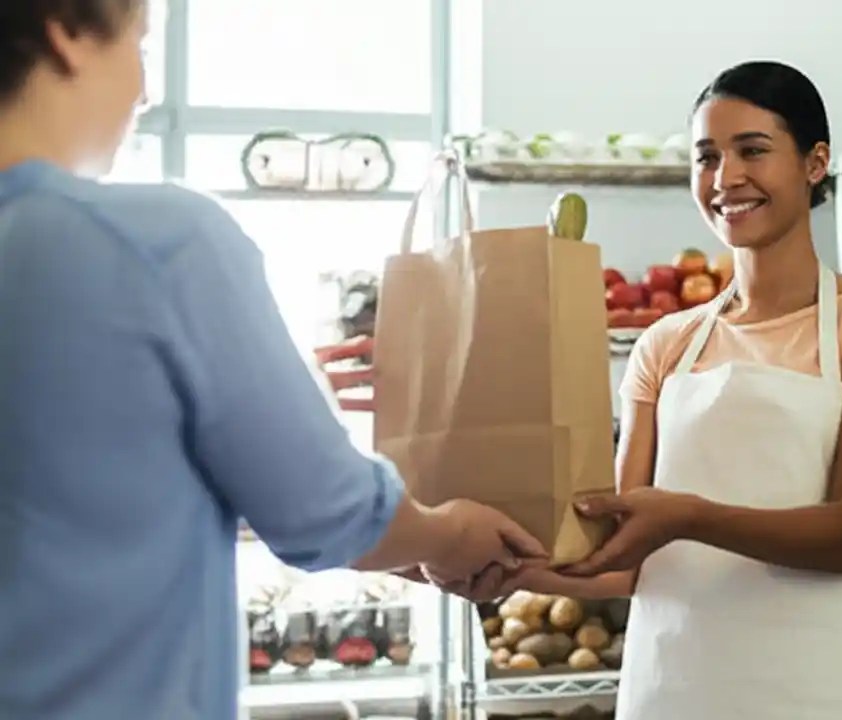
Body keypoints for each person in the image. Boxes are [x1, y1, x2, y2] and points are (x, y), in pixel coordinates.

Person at [0, 2, 542, 718]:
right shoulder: (158, 243)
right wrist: (451, 534)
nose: (145, 89)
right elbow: (325, 513)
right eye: (141, 43)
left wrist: (257, 386)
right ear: (66, 31)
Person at [497, 60, 842, 718]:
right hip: (671, 686)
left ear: (815, 162)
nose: (725, 178)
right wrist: (493, 561)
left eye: (752, 151)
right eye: (706, 158)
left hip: (815, 688)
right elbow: (621, 559)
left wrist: (689, 515)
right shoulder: (665, 343)